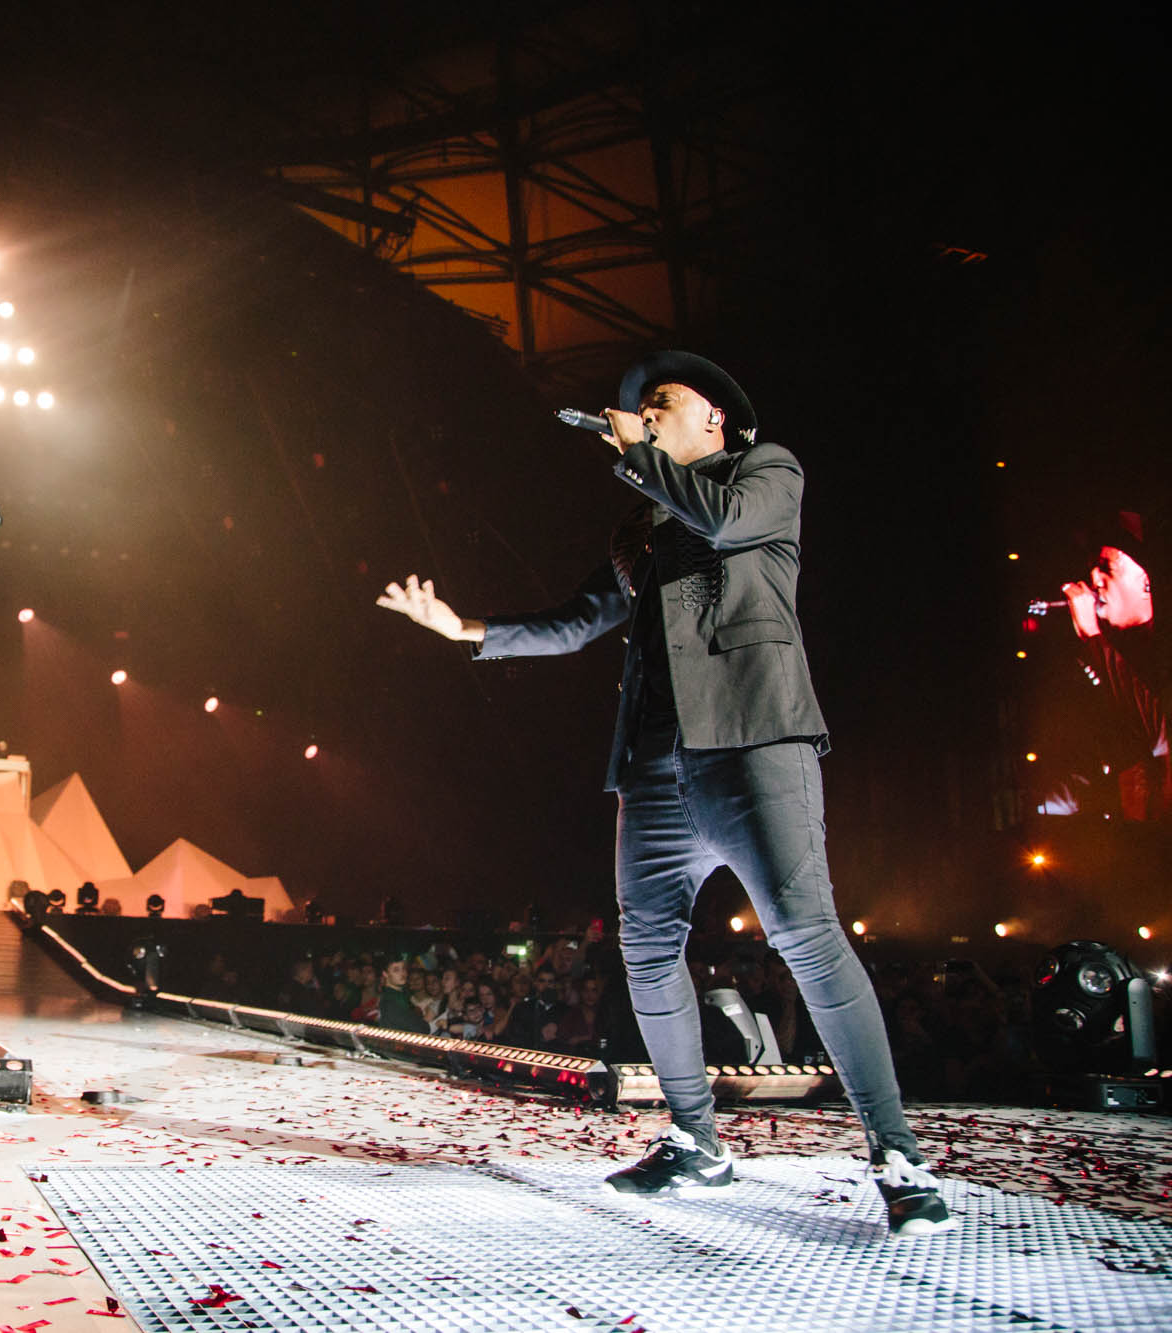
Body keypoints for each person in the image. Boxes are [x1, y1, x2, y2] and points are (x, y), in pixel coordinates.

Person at [376, 350, 953, 1238]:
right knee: (646, 952)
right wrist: (465, 628)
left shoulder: (766, 472)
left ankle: (897, 1154)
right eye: (638, 409)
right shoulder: (643, 525)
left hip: (755, 744)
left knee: (806, 935)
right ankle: (697, 1142)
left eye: (663, 403)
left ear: (716, 416)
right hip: (654, 766)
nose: (644, 414)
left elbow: (722, 524)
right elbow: (577, 621)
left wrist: (634, 452)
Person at [1048, 515, 1165, 820]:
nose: (1094, 579)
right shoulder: (1103, 653)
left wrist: (1092, 637)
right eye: (1093, 566)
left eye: (1106, 568)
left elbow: (1160, 732)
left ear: (1147, 582)